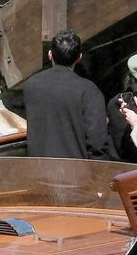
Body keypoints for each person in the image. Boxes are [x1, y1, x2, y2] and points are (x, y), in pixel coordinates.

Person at [23, 29, 112, 160]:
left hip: (38, 171)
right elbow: (97, 141)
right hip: (74, 174)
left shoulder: (31, 85)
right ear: (79, 57)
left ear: (49, 55)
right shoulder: (89, 91)